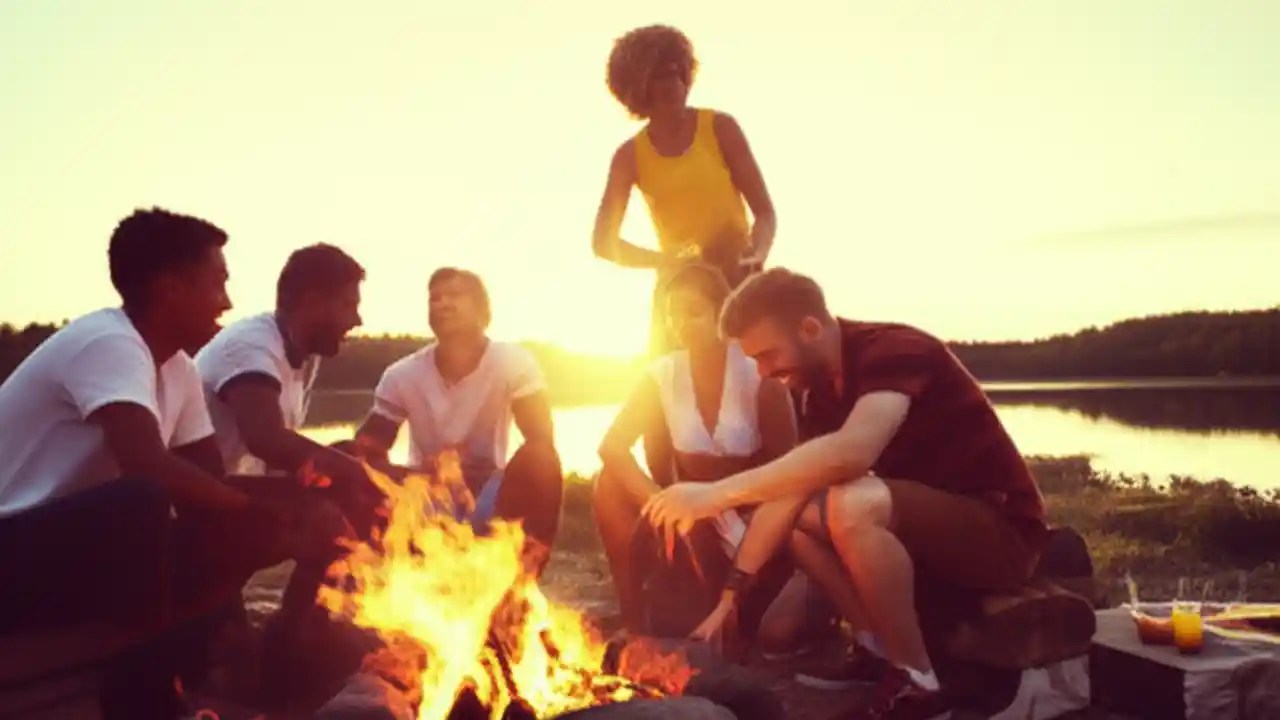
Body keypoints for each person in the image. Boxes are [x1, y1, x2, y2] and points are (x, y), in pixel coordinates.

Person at [642, 268, 1049, 719]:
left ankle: (919, 685)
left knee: (853, 503)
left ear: (810, 328)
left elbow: (853, 452)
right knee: (799, 520)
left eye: (767, 355)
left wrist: (715, 494)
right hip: (929, 542)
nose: (765, 373)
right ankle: (879, 648)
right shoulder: (817, 394)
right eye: (754, 361)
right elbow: (789, 494)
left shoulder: (895, 350)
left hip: (1000, 535)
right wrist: (729, 601)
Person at [0, 208, 278, 718]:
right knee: (143, 500)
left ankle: (190, 671)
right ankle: (144, 694)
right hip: (11, 545)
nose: (228, 302)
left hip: (67, 553)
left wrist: (284, 509)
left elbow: (210, 484)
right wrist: (252, 509)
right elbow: (146, 463)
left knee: (232, 518)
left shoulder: (178, 367)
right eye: (218, 283)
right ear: (171, 287)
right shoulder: (108, 341)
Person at [593, 23, 778, 493]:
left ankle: (764, 506)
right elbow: (603, 242)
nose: (672, 84)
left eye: (677, 72)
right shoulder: (628, 157)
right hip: (679, 293)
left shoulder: (720, 127)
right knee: (661, 413)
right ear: (637, 87)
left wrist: (758, 253)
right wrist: (662, 262)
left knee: (765, 393)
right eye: (659, 76)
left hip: (739, 281)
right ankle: (672, 512)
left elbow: (765, 213)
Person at [594, 263, 801, 648]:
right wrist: (661, 503)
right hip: (690, 514)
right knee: (607, 484)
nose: (682, 323)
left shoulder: (756, 371)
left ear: (721, 311)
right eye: (673, 314)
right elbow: (612, 446)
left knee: (779, 633)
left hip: (750, 515)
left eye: (694, 311)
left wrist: (724, 503)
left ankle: (741, 605)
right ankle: (634, 617)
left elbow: (788, 471)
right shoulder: (661, 374)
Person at [194, 244, 381, 622]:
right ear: (312, 302)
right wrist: (362, 475)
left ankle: (298, 623)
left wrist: (354, 466)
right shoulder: (251, 345)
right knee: (336, 500)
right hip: (196, 500)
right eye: (348, 304)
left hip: (234, 490)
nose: (357, 319)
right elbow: (266, 439)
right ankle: (293, 631)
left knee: (351, 466)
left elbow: (287, 457)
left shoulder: (300, 354)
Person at [353, 268, 563, 562]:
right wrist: (411, 478)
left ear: (483, 310)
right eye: (435, 298)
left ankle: (517, 586)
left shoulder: (512, 362)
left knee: (542, 461)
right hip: (424, 495)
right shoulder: (402, 375)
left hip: (492, 495)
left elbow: (541, 439)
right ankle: (374, 574)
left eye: (455, 295)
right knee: (344, 463)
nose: (443, 304)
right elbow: (367, 450)